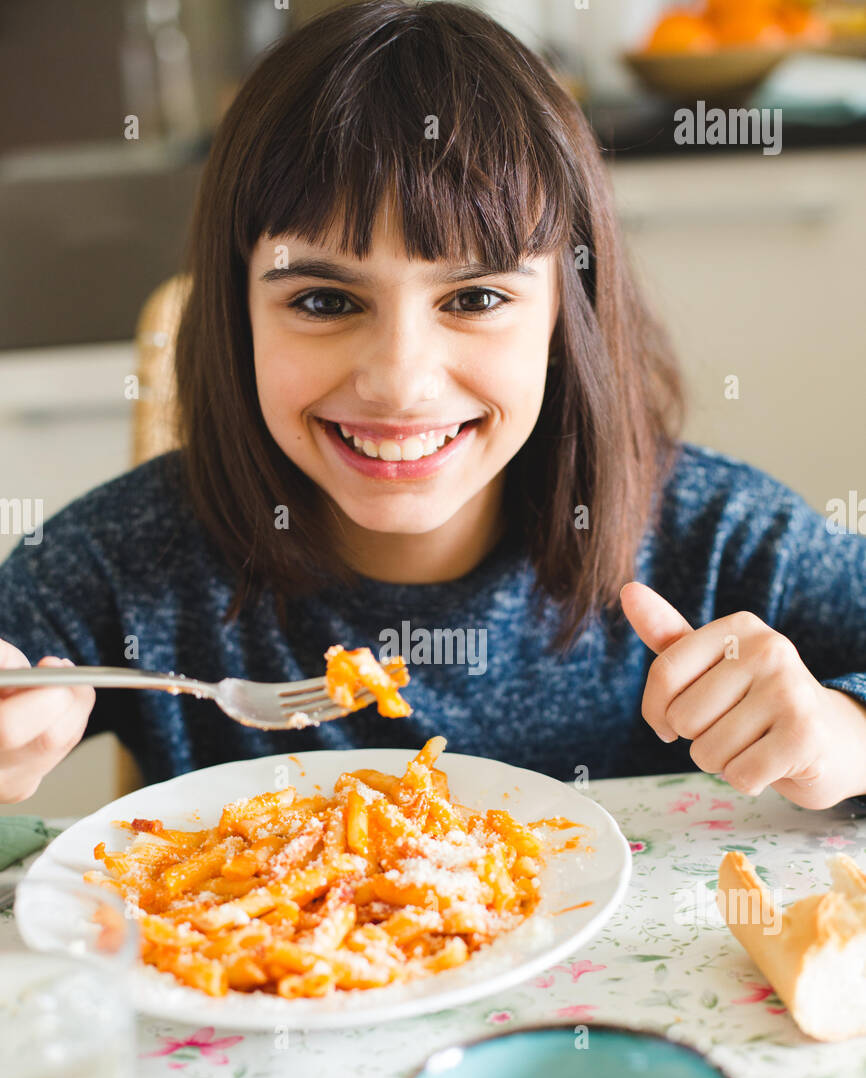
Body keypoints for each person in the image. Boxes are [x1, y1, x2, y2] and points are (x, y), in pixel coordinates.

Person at [0, 0, 864, 813]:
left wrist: (842, 736)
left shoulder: (715, 539)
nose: (402, 382)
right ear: (237, 314)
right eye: (325, 302)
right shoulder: (135, 559)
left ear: (570, 312)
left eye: (476, 299)